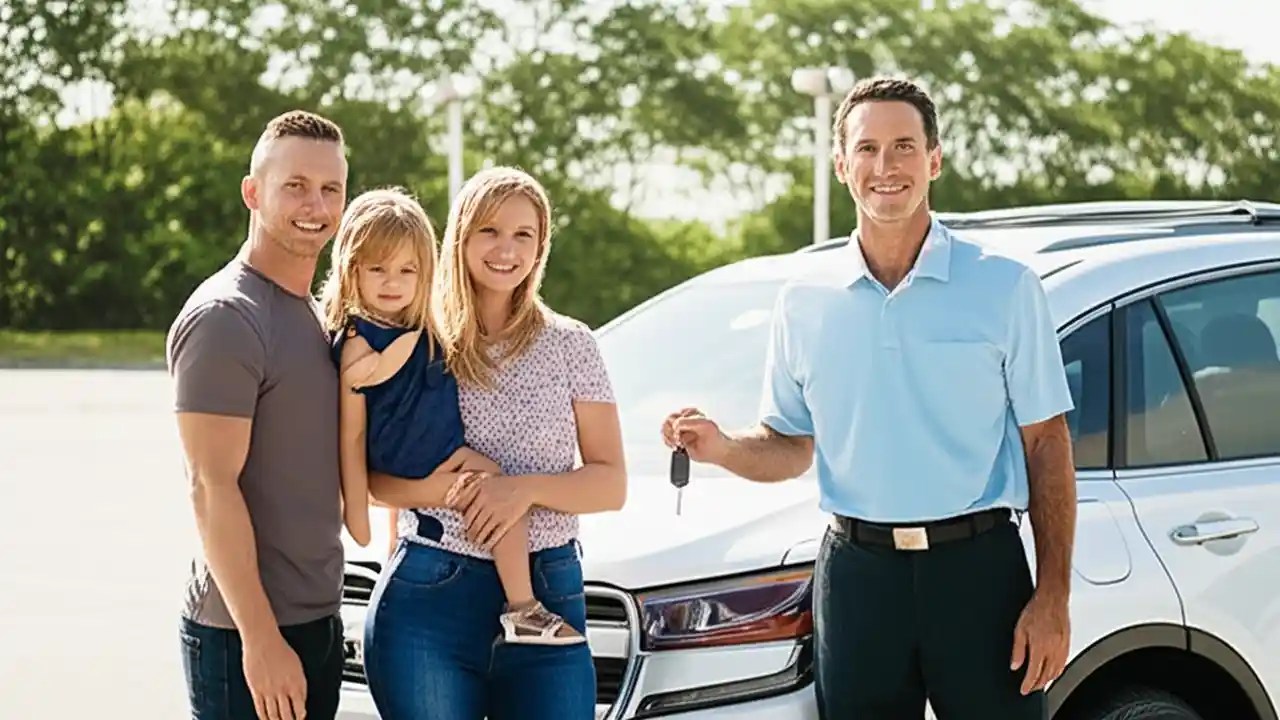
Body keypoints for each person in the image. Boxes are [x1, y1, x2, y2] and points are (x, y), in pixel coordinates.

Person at [661, 76, 1077, 719]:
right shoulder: (804, 299)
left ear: (934, 160)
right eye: (868, 149)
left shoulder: (1004, 287)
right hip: (858, 580)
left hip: (980, 574)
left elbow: (1047, 444)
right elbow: (790, 447)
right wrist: (719, 446)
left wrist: (1053, 596)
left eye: (905, 147)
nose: (887, 167)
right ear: (841, 165)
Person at [360, 165, 626, 720]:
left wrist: (518, 492)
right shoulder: (419, 345)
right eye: (489, 230)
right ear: (459, 236)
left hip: (547, 588)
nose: (506, 249)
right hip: (430, 592)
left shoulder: (573, 345)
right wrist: (447, 491)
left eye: (523, 235)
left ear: (541, 247)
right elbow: (376, 482)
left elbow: (610, 484)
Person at [317, 185, 585, 646]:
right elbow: (353, 434)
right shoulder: (366, 340)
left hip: (441, 444)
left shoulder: (420, 329)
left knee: (500, 487)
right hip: (417, 453)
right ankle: (522, 605)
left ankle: (521, 606)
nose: (392, 282)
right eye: (377, 269)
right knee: (492, 489)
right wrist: (355, 509)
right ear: (350, 270)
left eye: (407, 270)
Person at [166, 110, 350, 720]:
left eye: (330, 189)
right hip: (246, 633)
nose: (315, 205)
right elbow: (209, 487)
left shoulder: (310, 313)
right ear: (253, 192)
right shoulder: (227, 317)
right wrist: (261, 640)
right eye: (294, 185)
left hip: (316, 621)